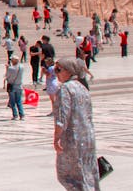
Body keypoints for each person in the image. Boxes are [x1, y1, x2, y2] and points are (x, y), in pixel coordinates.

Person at [53, 58, 98, 191]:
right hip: (88, 138)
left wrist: (57, 138)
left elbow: (62, 117)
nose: (56, 73)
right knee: (86, 174)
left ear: (68, 71)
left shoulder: (65, 89)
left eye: (58, 70)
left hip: (72, 139)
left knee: (68, 176)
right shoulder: (82, 87)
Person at [4, 56, 25, 120]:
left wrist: (7, 68)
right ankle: (21, 115)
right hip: (19, 86)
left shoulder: (11, 68)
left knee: (13, 102)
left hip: (12, 86)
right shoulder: (22, 67)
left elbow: (7, 76)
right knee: (19, 101)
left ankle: (15, 115)